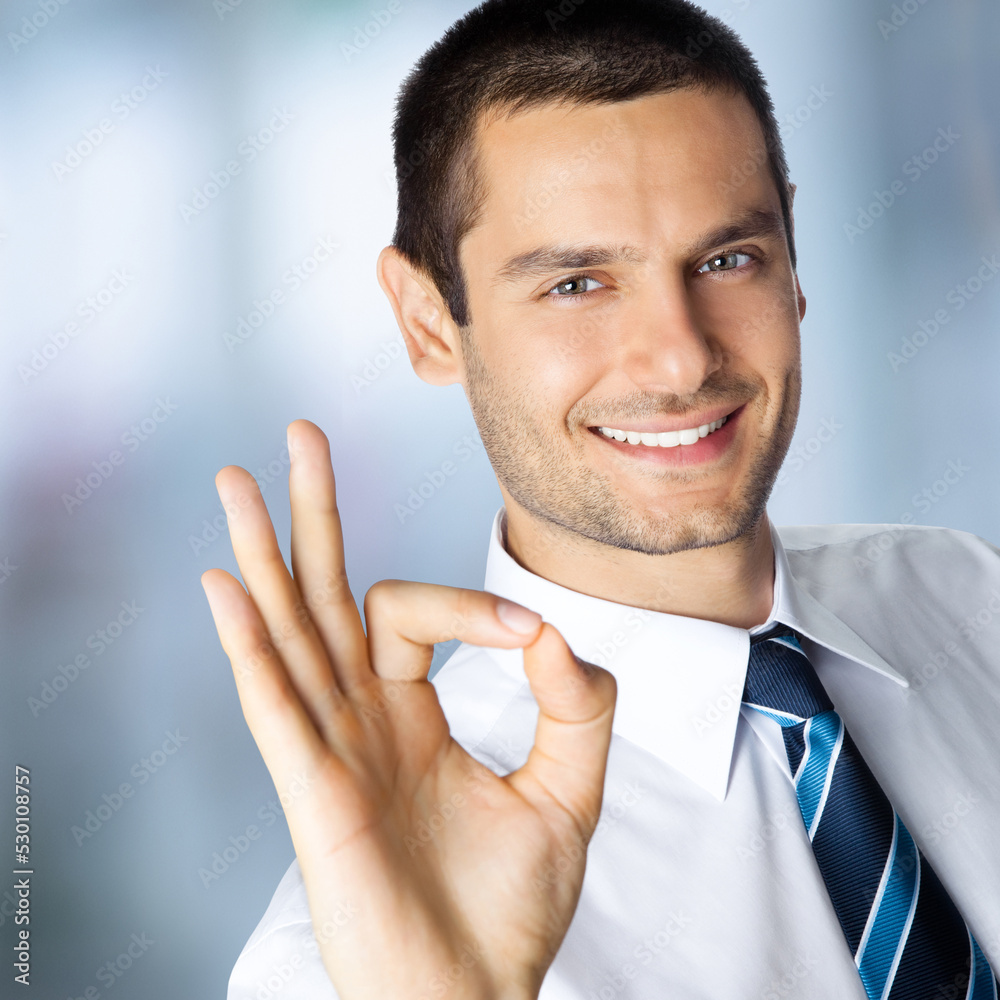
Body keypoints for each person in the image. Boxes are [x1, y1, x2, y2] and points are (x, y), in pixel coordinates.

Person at [201, 1, 1000, 997]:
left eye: (725, 259)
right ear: (426, 321)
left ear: (793, 262)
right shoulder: (348, 955)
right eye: (577, 283)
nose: (679, 355)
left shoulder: (971, 594)